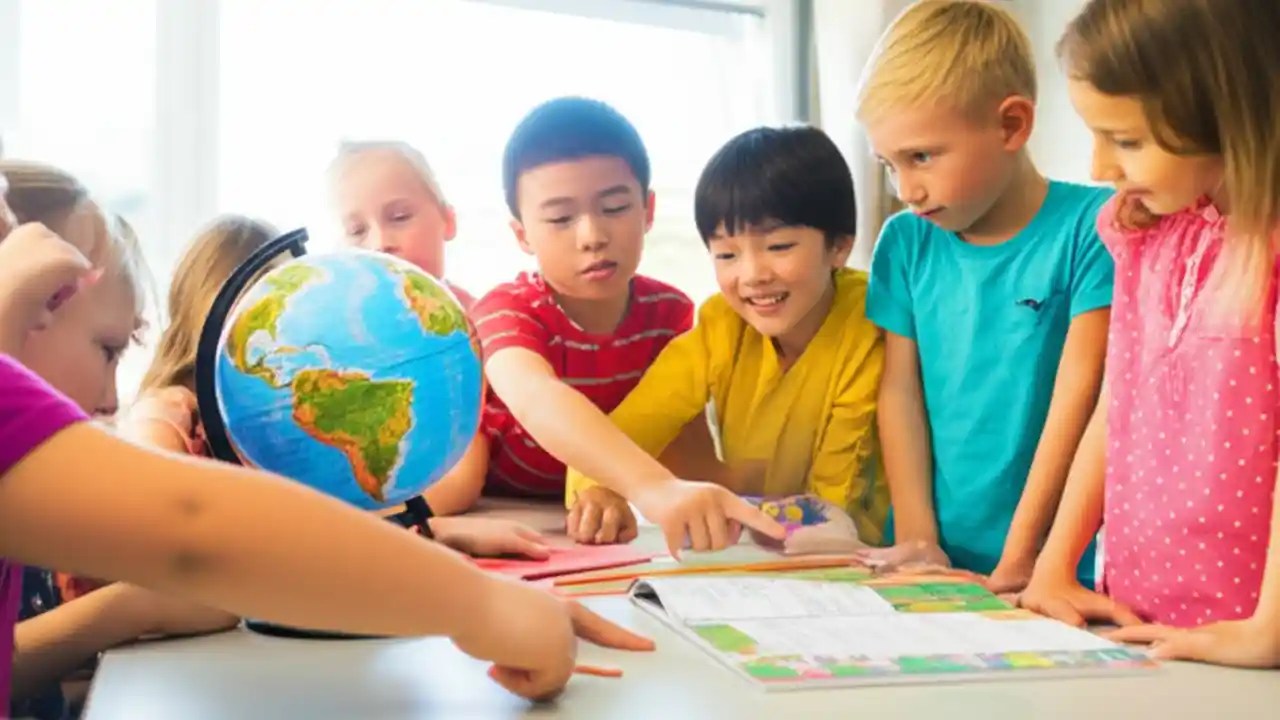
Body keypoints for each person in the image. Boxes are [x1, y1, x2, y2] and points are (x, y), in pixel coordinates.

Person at [0, 222, 654, 708]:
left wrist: (426, 546)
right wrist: (480, 605)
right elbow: (189, 523)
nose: (114, 396)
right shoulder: (168, 416)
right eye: (109, 346)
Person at [1019, 0, 1280, 669]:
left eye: (1127, 141)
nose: (1100, 165)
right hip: (1136, 618)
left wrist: (1267, 631)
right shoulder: (1145, 231)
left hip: (1246, 637)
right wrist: (1054, 565)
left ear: (1227, 112)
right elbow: (1120, 402)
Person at [856, 0, 1114, 593]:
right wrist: (919, 535)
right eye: (888, 164)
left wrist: (1024, 556)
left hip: (1057, 565)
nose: (906, 189)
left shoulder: (1094, 229)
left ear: (1011, 126)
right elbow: (899, 392)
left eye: (921, 156)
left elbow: (1080, 401)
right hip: (932, 557)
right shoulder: (905, 243)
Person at [471, 96, 784, 553]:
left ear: (648, 210)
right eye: (560, 219)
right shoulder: (505, 309)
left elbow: (683, 442)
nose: (592, 236)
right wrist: (648, 488)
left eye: (615, 208)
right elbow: (537, 397)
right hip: (494, 506)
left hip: (589, 519)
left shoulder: (669, 313)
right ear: (522, 234)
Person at [564, 126, 889, 552]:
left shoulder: (870, 323)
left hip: (867, 552)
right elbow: (630, 426)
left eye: (779, 246)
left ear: (840, 247)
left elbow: (833, 500)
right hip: (766, 548)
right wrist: (599, 489)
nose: (752, 274)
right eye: (727, 255)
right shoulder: (722, 324)